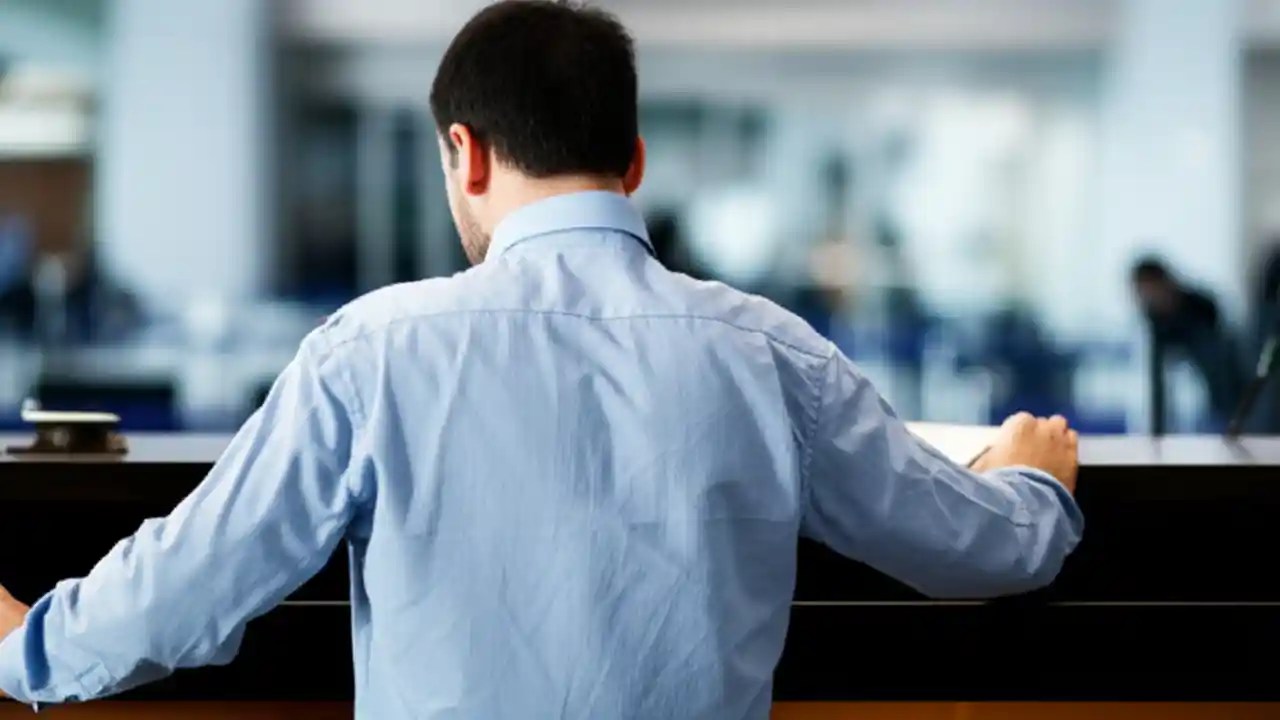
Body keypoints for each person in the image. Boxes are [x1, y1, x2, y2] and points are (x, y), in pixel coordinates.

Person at [0, 3, 1084, 717]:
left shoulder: (370, 355)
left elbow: (183, 593)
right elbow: (983, 555)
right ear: (633, 161)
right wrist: (1029, 475)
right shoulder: (769, 353)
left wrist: (27, 648)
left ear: (461, 153)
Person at [1131, 256, 1245, 433]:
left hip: (1215, 369)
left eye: (1150, 288)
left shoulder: (1200, 305)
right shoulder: (1152, 316)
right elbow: (1157, 379)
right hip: (1181, 366)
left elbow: (1221, 358)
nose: (1147, 296)